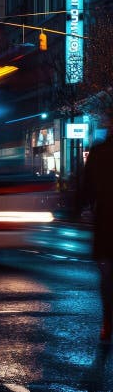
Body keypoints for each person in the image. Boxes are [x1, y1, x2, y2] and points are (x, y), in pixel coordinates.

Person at [78, 128, 113, 341]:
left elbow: (86, 187)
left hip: (106, 221)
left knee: (107, 274)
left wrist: (77, 209)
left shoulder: (99, 152)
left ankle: (108, 321)